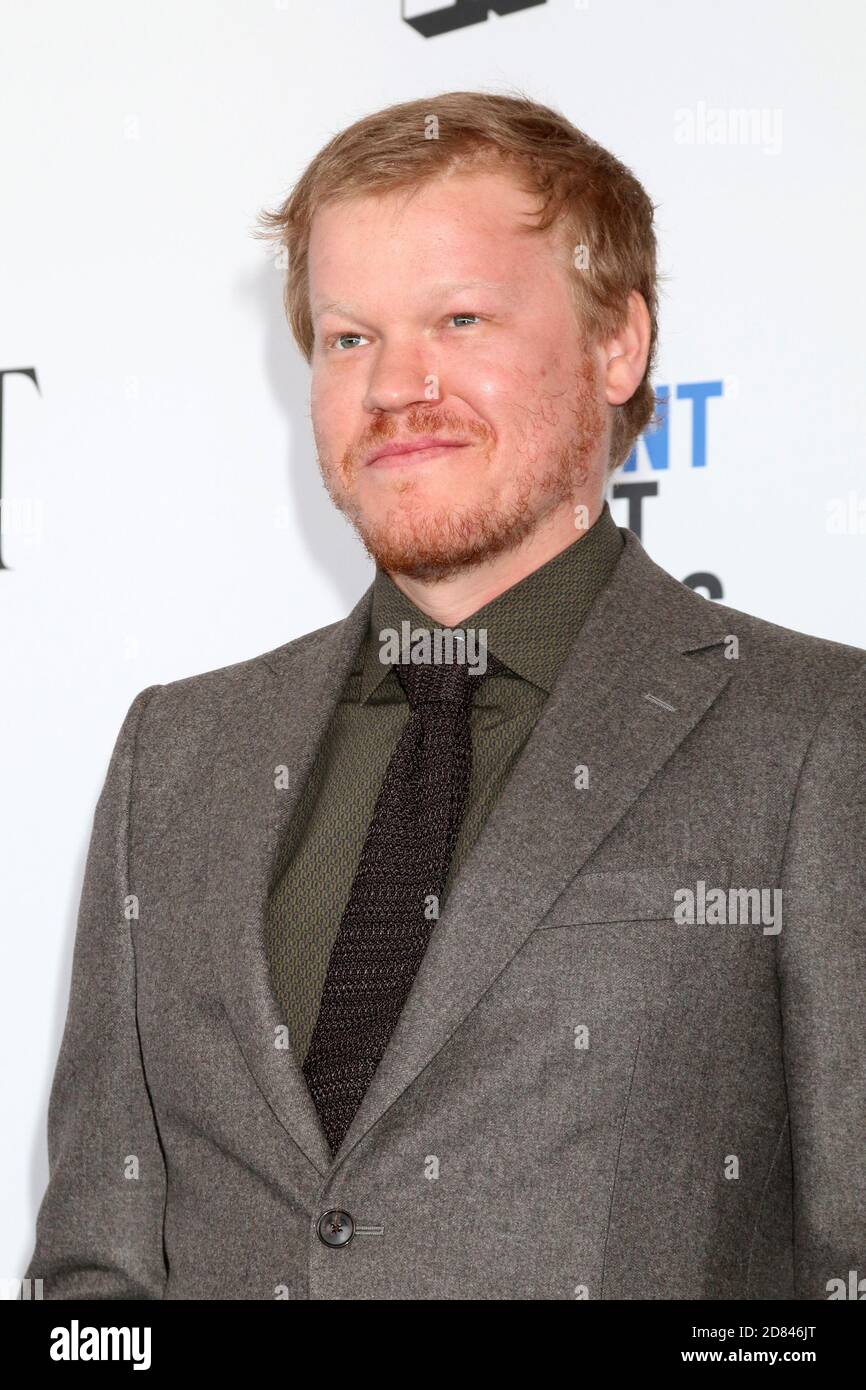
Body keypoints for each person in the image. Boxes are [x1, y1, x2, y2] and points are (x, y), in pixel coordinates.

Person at [26, 90, 865, 1300]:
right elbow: (97, 1270)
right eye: (348, 337)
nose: (394, 387)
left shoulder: (814, 736)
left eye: (458, 318)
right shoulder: (179, 750)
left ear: (616, 344)